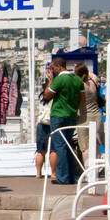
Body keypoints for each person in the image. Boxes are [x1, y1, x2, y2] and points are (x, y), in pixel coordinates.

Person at [45, 56, 85, 185]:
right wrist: (76, 110)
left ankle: (63, 177)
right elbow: (82, 99)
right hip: (72, 116)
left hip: (58, 115)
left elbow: (47, 95)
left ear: (58, 66)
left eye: (52, 68)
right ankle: (72, 176)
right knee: (69, 146)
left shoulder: (60, 79)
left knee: (60, 146)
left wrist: (50, 80)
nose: (52, 70)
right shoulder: (77, 80)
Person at [76, 64, 102, 162]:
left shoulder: (79, 85)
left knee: (85, 147)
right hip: (97, 117)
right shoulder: (93, 83)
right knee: (96, 145)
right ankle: (97, 170)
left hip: (84, 118)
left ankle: (88, 171)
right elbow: (94, 76)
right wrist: (87, 72)